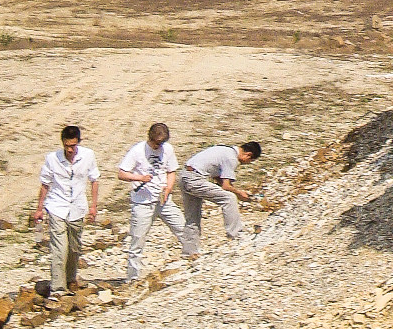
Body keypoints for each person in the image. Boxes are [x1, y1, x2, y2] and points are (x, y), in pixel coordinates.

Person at [33, 125, 100, 296]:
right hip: (57, 206)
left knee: (74, 248)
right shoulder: (52, 159)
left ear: (78, 143)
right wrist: (39, 208)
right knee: (59, 248)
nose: (70, 150)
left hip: (77, 207)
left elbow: (94, 180)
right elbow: (45, 184)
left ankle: (70, 279)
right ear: (62, 143)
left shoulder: (88, 155)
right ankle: (57, 287)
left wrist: (94, 206)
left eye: (73, 146)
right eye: (67, 146)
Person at [116, 122, 185, 281]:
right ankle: (133, 278)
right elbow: (121, 173)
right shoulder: (137, 151)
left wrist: (168, 188)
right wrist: (139, 177)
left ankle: (194, 260)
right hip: (142, 202)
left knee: (182, 228)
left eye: (161, 143)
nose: (158, 147)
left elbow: (171, 171)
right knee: (138, 239)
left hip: (163, 200)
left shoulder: (168, 149)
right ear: (150, 138)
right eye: (156, 143)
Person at [177, 140, 261, 260]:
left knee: (192, 217)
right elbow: (226, 186)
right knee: (229, 198)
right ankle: (236, 234)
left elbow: (217, 176)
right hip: (195, 179)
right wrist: (238, 193)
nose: (247, 163)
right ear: (248, 154)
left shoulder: (224, 149)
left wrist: (236, 191)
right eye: (250, 161)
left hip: (185, 176)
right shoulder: (231, 158)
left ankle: (189, 253)